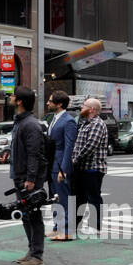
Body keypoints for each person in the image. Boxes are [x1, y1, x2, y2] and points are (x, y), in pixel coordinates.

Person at [0, 87, 48, 265]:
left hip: (28, 178)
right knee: (26, 215)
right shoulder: (20, 122)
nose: (10, 98)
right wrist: (7, 152)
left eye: (13, 96)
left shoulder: (30, 124)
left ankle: (37, 255)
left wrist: (31, 179)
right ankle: (32, 251)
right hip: (21, 175)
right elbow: (22, 147)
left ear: (19, 101)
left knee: (33, 215)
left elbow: (34, 154)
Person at [71, 96, 109, 236]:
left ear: (91, 109)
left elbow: (90, 147)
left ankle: (95, 226)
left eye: (84, 105)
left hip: (92, 168)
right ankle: (74, 226)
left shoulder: (97, 124)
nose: (82, 107)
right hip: (84, 168)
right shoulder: (86, 123)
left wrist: (74, 160)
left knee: (93, 198)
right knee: (80, 198)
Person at [46, 89, 77, 240]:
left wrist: (63, 169)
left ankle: (67, 231)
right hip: (52, 163)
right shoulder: (54, 118)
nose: (47, 103)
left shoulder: (69, 121)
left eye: (50, 101)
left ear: (59, 104)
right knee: (55, 198)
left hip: (60, 165)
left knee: (64, 198)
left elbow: (69, 146)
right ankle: (57, 227)